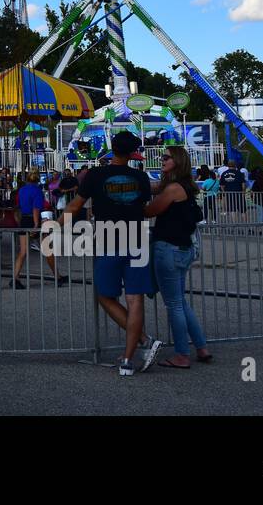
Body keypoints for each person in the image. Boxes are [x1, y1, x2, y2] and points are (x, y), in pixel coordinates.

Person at [61, 130, 162, 377]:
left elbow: (75, 205)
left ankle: (144, 341)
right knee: (135, 298)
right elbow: (144, 207)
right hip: (137, 239)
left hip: (108, 238)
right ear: (131, 154)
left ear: (112, 149)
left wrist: (53, 227)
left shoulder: (95, 174)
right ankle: (128, 358)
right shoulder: (139, 176)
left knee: (105, 295)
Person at [144, 147, 213, 369]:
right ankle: (201, 347)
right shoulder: (183, 187)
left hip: (168, 248)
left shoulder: (173, 188)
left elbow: (150, 210)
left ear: (178, 161)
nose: (162, 160)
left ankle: (182, 354)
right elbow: (153, 189)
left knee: (174, 303)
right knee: (180, 302)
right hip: (183, 249)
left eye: (166, 157)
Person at [13, 171, 64, 288]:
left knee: (23, 251)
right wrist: (36, 224)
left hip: (24, 220)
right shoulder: (37, 191)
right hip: (33, 220)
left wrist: (19, 222)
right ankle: (57, 276)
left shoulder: (21, 190)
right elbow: (36, 208)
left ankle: (15, 278)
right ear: (37, 180)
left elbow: (18, 207)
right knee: (47, 248)